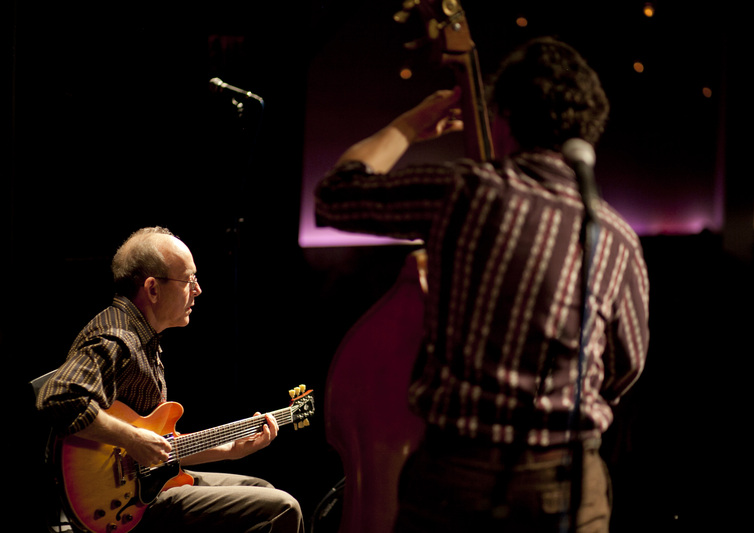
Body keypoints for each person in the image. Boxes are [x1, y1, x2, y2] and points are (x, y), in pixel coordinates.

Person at [315, 37, 649, 532]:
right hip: (572, 484)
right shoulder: (618, 237)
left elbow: (336, 196)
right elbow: (625, 367)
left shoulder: (466, 192)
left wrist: (411, 124)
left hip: (457, 480)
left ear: (503, 119)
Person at [37, 226, 304, 533]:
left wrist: (230, 451)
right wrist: (131, 439)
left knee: (263, 488)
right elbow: (59, 396)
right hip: (126, 505)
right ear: (152, 289)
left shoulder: (143, 337)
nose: (199, 289)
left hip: (149, 486)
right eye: (189, 279)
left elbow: (159, 448)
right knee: (282, 508)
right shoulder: (116, 337)